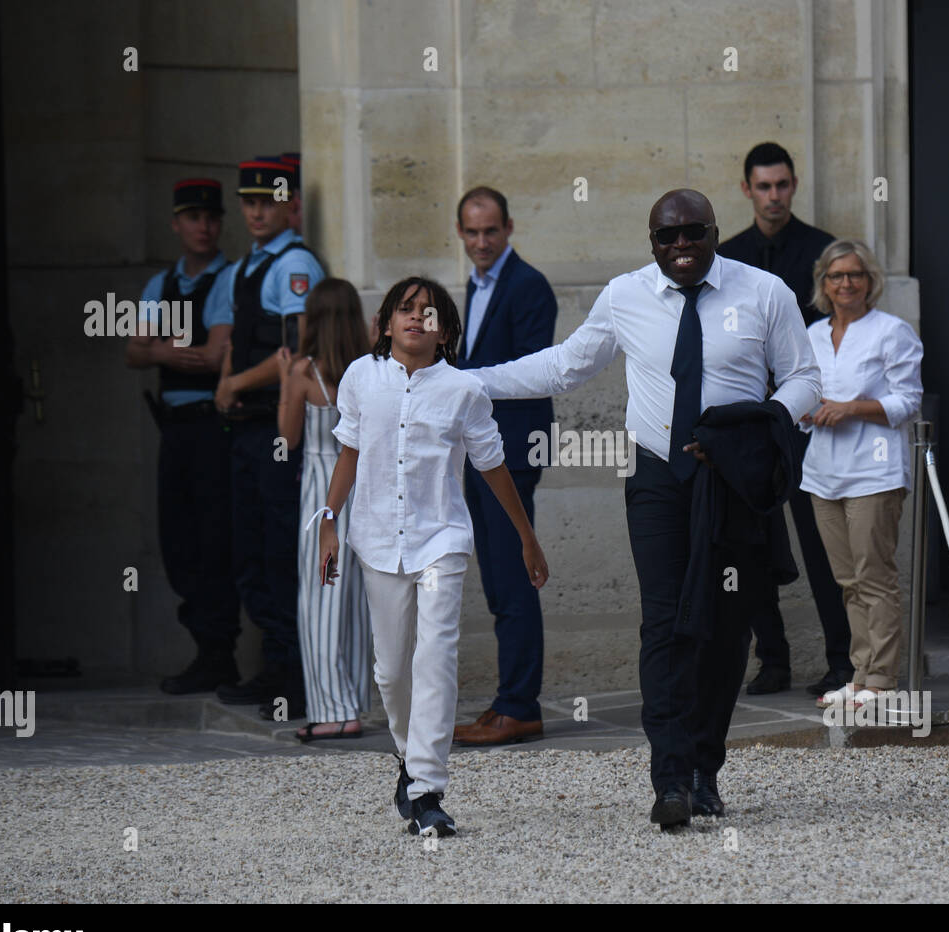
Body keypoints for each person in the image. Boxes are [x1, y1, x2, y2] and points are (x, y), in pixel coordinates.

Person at [470, 189, 822, 828]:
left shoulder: (765, 292)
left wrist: (753, 428)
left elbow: (804, 379)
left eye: (693, 233)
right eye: (668, 237)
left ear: (714, 232)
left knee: (725, 627)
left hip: (733, 485)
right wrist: (472, 380)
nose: (681, 246)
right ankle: (670, 780)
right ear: (652, 242)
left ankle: (703, 768)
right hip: (657, 479)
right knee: (664, 623)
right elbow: (567, 367)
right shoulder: (625, 295)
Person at [314, 277, 549, 837]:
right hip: (375, 539)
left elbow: (493, 465)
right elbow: (348, 453)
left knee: (436, 655)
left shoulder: (463, 390)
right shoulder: (360, 379)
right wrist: (328, 521)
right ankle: (408, 757)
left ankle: (426, 788)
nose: (417, 318)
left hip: (441, 539)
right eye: (405, 309)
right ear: (386, 323)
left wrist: (527, 536)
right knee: (392, 671)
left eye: (430, 312)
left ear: (445, 330)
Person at [717, 142, 852, 697]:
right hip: (748, 425)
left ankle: (842, 660)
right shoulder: (725, 258)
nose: (774, 196)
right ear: (747, 189)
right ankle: (771, 659)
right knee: (751, 545)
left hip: (806, 421)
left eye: (782, 185)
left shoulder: (822, 250)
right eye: (763, 186)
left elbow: (835, 332)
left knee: (822, 544)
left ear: (793, 185)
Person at [211, 158, 327, 720]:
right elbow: (238, 334)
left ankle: (293, 675)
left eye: (268, 201)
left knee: (281, 550)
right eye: (249, 202)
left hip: (277, 430)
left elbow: (294, 351)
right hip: (248, 427)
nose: (256, 211)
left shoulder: (294, 264)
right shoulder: (246, 266)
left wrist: (235, 381)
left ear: (290, 205)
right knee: (251, 550)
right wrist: (226, 381)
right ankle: (274, 665)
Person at [449, 187, 557, 747]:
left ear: (509, 228)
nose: (482, 242)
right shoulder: (477, 283)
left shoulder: (529, 285)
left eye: (491, 231)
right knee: (497, 580)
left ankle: (520, 706)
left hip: (510, 454)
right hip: (481, 451)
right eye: (472, 232)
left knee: (515, 580)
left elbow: (530, 373)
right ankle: (509, 700)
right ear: (461, 234)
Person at [128, 178, 242, 695]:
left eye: (212, 217)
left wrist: (166, 349)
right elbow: (135, 350)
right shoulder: (162, 283)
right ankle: (205, 647)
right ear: (176, 223)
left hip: (211, 426)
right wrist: (167, 352)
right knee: (179, 541)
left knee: (214, 538)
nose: (204, 226)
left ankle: (219, 653)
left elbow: (216, 354)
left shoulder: (230, 277)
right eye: (193, 217)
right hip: (174, 429)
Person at [799, 240, 922, 709]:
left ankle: (882, 681)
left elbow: (908, 401)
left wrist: (852, 409)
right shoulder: (811, 334)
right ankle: (861, 673)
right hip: (822, 473)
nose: (845, 283)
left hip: (875, 471)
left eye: (855, 275)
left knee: (875, 577)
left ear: (870, 281)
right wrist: (804, 410)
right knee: (846, 580)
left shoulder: (891, 331)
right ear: (823, 284)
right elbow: (799, 392)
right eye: (836, 276)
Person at [276, 278, 372, 740]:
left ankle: (333, 711)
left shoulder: (303, 372)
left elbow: (287, 438)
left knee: (319, 601)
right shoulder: (370, 367)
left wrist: (282, 381)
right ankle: (351, 701)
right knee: (353, 603)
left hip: (321, 493)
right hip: (362, 490)